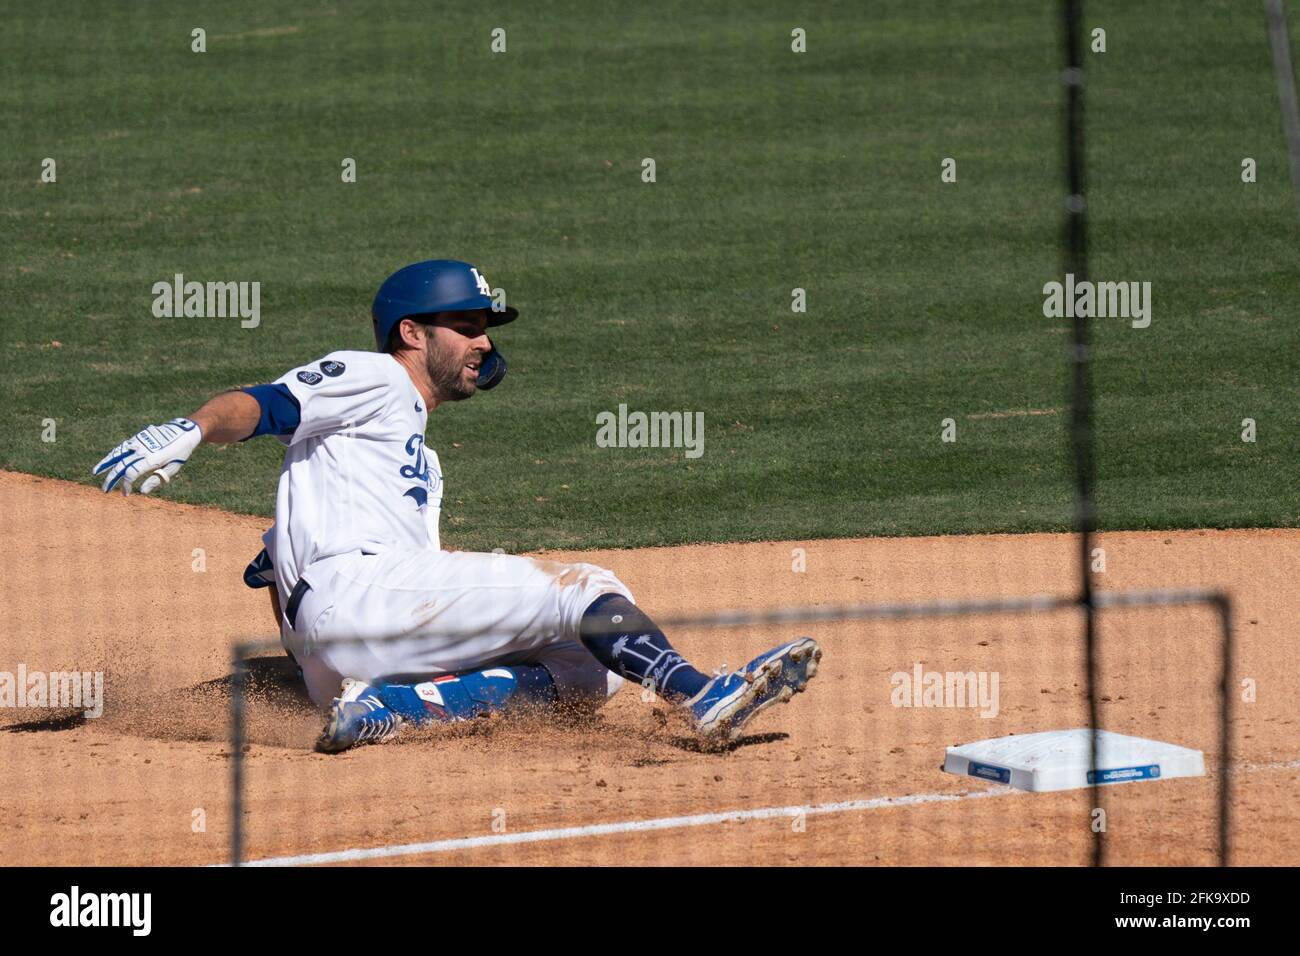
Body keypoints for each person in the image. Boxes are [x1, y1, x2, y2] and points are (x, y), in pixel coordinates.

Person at [93, 259, 821, 752]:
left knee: (586, 674)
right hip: (359, 597)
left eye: (485, 330)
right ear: (413, 332)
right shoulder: (375, 374)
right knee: (588, 588)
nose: (482, 342)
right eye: (467, 325)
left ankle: (381, 712)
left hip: (341, 647)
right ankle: (701, 697)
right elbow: (266, 405)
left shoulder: (411, 463)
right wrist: (192, 428)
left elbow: (286, 564)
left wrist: (282, 563)